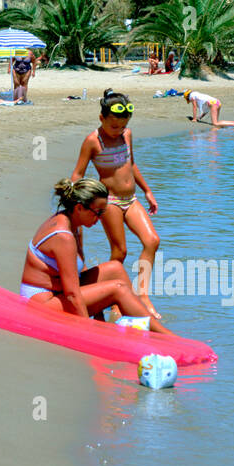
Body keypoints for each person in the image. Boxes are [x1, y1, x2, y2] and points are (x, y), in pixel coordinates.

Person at [20, 177, 174, 331]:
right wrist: (90, 331)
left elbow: (81, 273)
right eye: (97, 212)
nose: (100, 218)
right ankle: (168, 339)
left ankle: (136, 322)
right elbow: (72, 294)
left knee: (115, 268)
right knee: (117, 288)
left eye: (103, 212)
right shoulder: (63, 237)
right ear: (79, 208)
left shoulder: (73, 223)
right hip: (41, 304)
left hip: (58, 294)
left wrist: (99, 313)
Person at [70, 90, 163, 319]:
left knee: (152, 241)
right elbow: (77, 174)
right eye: (113, 127)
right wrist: (74, 205)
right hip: (109, 201)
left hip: (131, 199)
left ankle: (142, 296)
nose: (118, 130)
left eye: (122, 126)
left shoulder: (127, 135)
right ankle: (114, 300)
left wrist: (147, 191)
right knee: (120, 252)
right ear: (102, 118)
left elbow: (131, 165)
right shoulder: (93, 141)